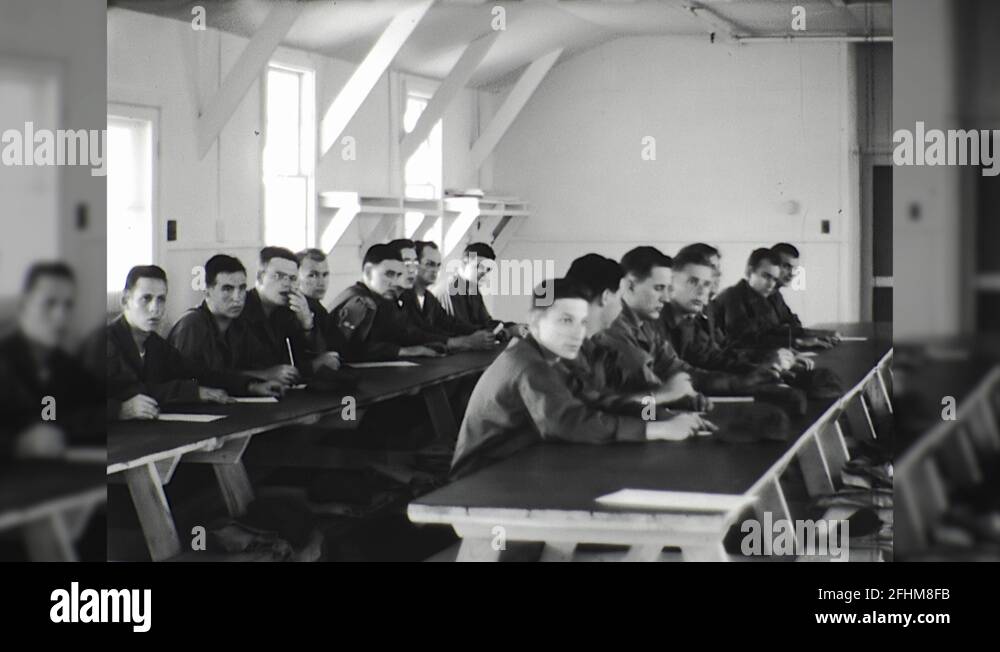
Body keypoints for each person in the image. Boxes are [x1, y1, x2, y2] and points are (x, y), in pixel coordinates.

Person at [451, 278, 716, 478]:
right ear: (533, 321)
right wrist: (657, 430)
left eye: (582, 322)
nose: (578, 333)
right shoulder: (528, 365)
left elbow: (599, 401)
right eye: (565, 321)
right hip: (484, 480)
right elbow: (569, 422)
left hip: (524, 465)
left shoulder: (553, 358)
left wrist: (663, 415)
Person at [95, 265, 282, 421]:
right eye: (146, 298)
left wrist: (249, 385)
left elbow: (198, 372)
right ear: (125, 301)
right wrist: (119, 410)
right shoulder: (103, 344)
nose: (155, 308)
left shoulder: (154, 344)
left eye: (161, 299)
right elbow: (127, 391)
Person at [601, 247, 777, 396]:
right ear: (630, 285)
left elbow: (681, 372)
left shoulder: (644, 326)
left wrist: (742, 382)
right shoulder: (617, 329)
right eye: (659, 288)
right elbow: (647, 397)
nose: (665, 297)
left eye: (667, 288)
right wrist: (662, 424)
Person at [564, 253, 709, 414]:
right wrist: (664, 397)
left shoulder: (591, 345)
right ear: (606, 297)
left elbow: (617, 403)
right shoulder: (566, 349)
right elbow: (594, 412)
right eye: (620, 298)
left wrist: (667, 410)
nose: (621, 307)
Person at [0, 263, 102, 458]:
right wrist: (16, 443)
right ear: (24, 304)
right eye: (50, 303)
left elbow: (98, 410)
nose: (60, 316)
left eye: (68, 305)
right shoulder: (4, 360)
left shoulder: (67, 366)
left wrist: (61, 428)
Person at [661, 249, 809, 375]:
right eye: (693, 281)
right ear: (670, 282)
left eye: (716, 272)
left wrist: (765, 364)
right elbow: (742, 341)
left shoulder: (701, 312)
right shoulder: (729, 298)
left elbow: (718, 353)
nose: (715, 277)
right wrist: (761, 366)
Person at [168, 254, 297, 385]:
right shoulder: (192, 325)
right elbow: (188, 381)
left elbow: (232, 372)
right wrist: (263, 375)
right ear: (207, 292)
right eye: (227, 289)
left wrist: (255, 385)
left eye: (241, 288)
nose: (237, 298)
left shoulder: (239, 324)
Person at [329, 244, 446, 360]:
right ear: (368, 272)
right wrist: (403, 351)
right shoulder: (359, 301)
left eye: (398, 275)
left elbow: (399, 334)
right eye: (389, 274)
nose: (395, 283)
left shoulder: (381, 300)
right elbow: (344, 351)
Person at [243, 247, 340, 379]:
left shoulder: (287, 311)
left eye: (292, 278)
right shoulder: (240, 310)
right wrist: (311, 367)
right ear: (260, 277)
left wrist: (307, 322)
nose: (286, 283)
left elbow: (299, 360)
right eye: (278, 276)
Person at [714, 248, 832, 350]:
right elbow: (746, 340)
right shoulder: (732, 296)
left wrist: (813, 335)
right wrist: (796, 342)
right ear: (749, 272)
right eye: (766, 276)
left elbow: (779, 328)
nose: (771, 284)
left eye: (775, 279)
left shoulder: (766, 295)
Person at [395, 240, 496, 351]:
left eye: (438, 265)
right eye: (429, 264)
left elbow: (450, 324)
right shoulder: (399, 296)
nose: (435, 270)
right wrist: (462, 341)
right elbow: (412, 333)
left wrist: (489, 333)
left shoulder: (429, 298)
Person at [434, 242, 527, 340]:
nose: (483, 273)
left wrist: (513, 327)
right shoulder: (451, 290)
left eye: (488, 269)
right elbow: (462, 331)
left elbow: (485, 323)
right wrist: (505, 331)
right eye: (479, 266)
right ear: (464, 263)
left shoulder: (472, 289)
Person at [770, 242, 840, 346]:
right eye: (786, 266)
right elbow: (765, 337)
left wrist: (818, 334)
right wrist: (800, 340)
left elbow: (793, 325)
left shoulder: (775, 295)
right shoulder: (758, 297)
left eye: (794, 268)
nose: (792, 273)